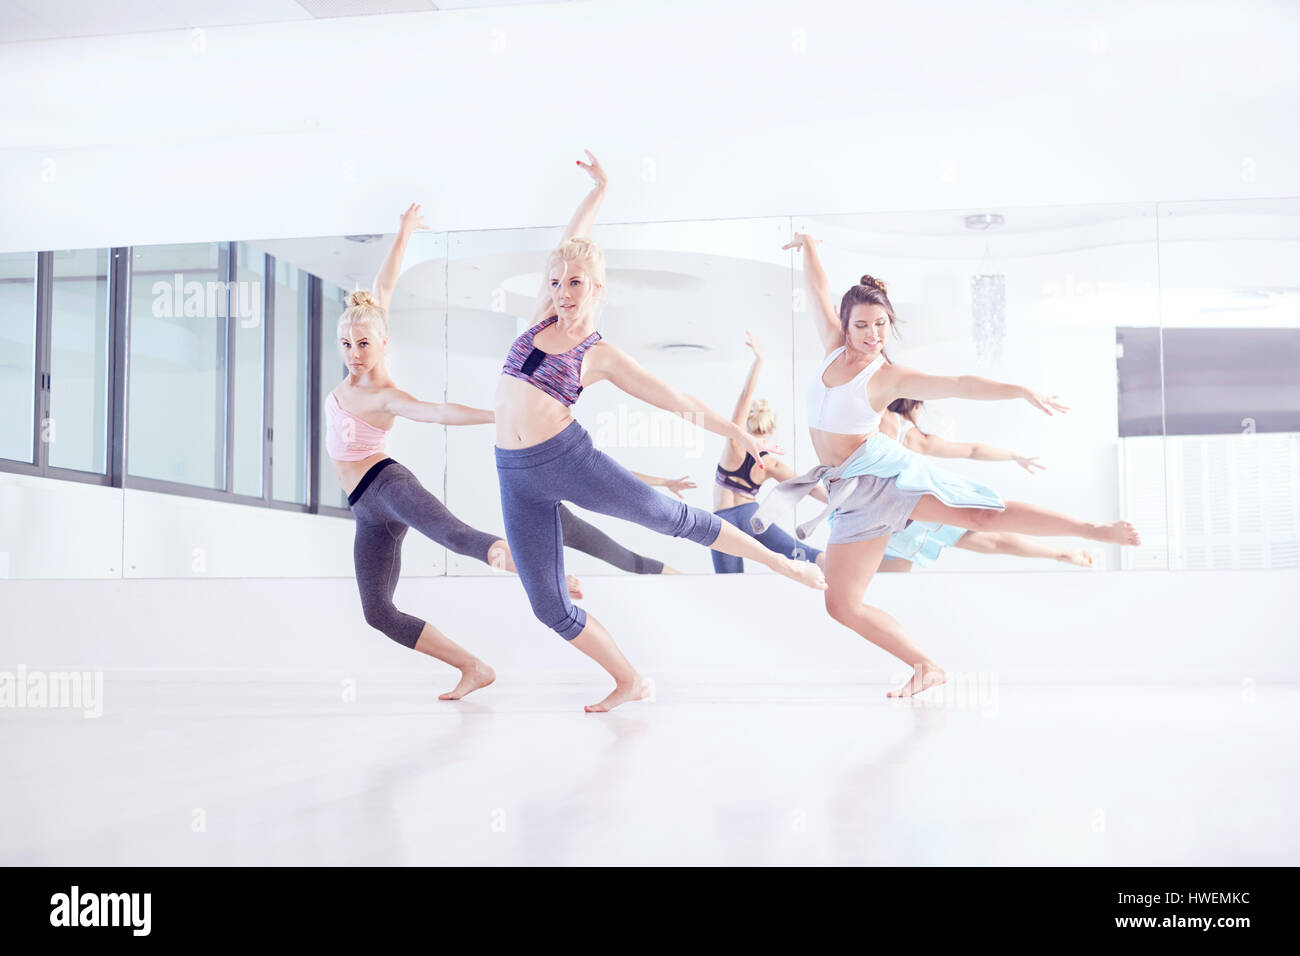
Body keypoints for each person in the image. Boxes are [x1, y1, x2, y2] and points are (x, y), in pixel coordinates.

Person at [493, 152, 826, 712]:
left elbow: (677, 400)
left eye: (576, 283)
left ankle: (782, 563)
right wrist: (599, 192)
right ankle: (629, 680)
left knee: (670, 518)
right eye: (555, 282)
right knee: (547, 606)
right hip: (513, 475)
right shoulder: (537, 323)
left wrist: (735, 432)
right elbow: (571, 240)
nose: (562, 291)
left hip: (568, 459)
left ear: (597, 289)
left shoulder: (596, 353)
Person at [753, 233, 1139, 697]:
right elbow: (816, 290)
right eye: (863, 325)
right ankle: (926, 665)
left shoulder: (887, 376)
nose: (873, 335)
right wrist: (811, 246)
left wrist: (1021, 390)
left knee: (978, 517)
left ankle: (1092, 531)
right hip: (848, 495)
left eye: (881, 324)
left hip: (882, 473)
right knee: (840, 603)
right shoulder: (833, 351)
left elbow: (959, 383)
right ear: (845, 324)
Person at [330, 204, 577, 700]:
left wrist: (497, 415)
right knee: (378, 611)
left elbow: (439, 412)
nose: (354, 353)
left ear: (383, 342)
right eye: (347, 344)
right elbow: (385, 283)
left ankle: (544, 574)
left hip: (386, 485)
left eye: (363, 344)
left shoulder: (386, 396)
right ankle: (472, 667)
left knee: (456, 535)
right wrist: (402, 231)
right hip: (365, 510)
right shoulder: (367, 326)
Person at [876, 403, 1093, 571]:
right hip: (905, 516)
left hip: (876, 515)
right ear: (914, 407)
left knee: (991, 540)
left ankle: (1060, 554)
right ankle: (1059, 554)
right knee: (992, 541)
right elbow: (972, 450)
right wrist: (1014, 456)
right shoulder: (910, 434)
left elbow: (973, 450)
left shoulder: (875, 423)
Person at [712, 330, 830, 573]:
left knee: (728, 584)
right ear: (770, 431)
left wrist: (759, 361)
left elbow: (745, 396)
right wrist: (839, 502)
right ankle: (846, 577)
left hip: (722, 522)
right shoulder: (771, 464)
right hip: (750, 516)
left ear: (746, 425)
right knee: (805, 554)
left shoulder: (734, 444)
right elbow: (807, 487)